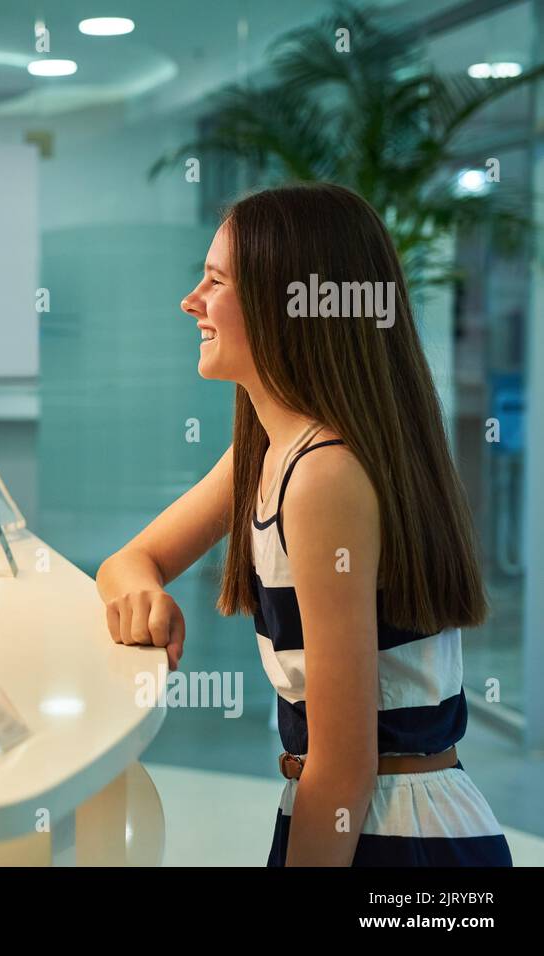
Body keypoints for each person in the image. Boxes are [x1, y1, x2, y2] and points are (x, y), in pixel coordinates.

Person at [96, 182, 512, 866]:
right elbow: (130, 560)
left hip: (393, 837)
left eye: (215, 281)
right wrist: (141, 597)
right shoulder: (270, 448)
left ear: (286, 302)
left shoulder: (322, 476)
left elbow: (343, 772)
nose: (190, 300)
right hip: (368, 822)